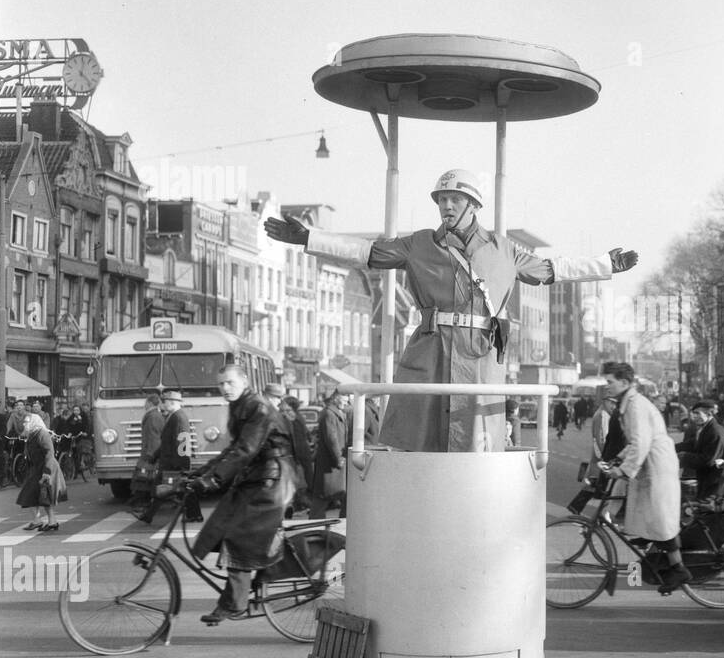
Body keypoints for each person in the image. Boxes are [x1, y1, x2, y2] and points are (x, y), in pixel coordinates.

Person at [264, 168, 637, 452]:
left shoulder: (503, 249)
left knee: (476, 441)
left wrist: (605, 264)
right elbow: (368, 253)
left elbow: (551, 270)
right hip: (430, 349)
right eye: (441, 199)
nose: (445, 205)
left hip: (478, 354)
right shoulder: (418, 244)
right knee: (417, 438)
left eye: (454, 199)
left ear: (473, 205)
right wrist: (308, 238)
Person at [185, 365, 297, 624]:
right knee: (221, 522)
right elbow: (233, 450)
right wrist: (200, 473)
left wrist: (213, 479)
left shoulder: (257, 407)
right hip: (260, 477)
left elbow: (245, 450)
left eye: (229, 382)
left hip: (274, 481)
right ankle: (240, 590)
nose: (225, 388)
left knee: (239, 535)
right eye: (221, 383)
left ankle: (235, 603)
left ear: (244, 381)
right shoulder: (241, 405)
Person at [600, 362, 691, 593]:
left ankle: (678, 569)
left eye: (610, 381)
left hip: (657, 465)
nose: (606, 386)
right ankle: (659, 564)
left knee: (660, 517)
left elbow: (641, 442)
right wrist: (617, 460)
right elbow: (635, 442)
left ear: (625, 382)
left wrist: (622, 469)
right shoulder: (628, 403)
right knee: (652, 516)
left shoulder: (635, 406)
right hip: (650, 463)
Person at [137, 390, 194, 526]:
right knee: (170, 489)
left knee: (165, 488)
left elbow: (183, 442)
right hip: (168, 461)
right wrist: (155, 456)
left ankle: (149, 515)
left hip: (173, 462)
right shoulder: (174, 416)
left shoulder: (179, 418)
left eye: (165, 401)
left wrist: (182, 464)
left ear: (173, 403)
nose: (163, 404)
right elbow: (166, 441)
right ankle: (149, 515)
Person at [16, 412, 67, 532]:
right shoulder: (32, 434)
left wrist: (47, 472)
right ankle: (48, 521)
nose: (25, 423)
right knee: (39, 495)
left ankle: (41, 521)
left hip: (46, 468)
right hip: (37, 468)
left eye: (27, 421)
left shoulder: (42, 434)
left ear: (34, 422)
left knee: (38, 495)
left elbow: (49, 453)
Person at [676, 400, 724, 501]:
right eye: (693, 413)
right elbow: (692, 444)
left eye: (697, 413)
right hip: (707, 478)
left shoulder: (715, 431)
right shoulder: (705, 428)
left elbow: (708, 460)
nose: (694, 416)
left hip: (715, 480)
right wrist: (671, 448)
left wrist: (684, 457)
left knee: (706, 511)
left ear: (709, 413)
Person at [310, 388, 349, 518]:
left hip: (333, 462)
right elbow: (331, 439)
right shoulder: (329, 414)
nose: (346, 402)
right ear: (336, 398)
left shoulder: (335, 412)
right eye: (344, 399)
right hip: (330, 462)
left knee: (334, 494)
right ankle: (314, 526)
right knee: (323, 496)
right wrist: (339, 458)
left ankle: (342, 522)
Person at [282, 395, 315, 514]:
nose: (282, 405)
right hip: (301, 451)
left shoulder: (293, 417)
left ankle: (305, 503)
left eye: (285, 404)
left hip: (299, 452)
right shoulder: (297, 416)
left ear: (291, 406)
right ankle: (302, 503)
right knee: (304, 478)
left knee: (302, 479)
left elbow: (296, 437)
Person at [132, 393, 165, 509]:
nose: (144, 405)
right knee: (147, 479)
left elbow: (153, 437)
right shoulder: (155, 415)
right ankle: (145, 502)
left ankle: (143, 503)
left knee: (144, 478)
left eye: (145, 402)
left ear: (150, 403)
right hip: (151, 452)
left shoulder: (152, 417)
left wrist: (151, 455)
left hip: (150, 453)